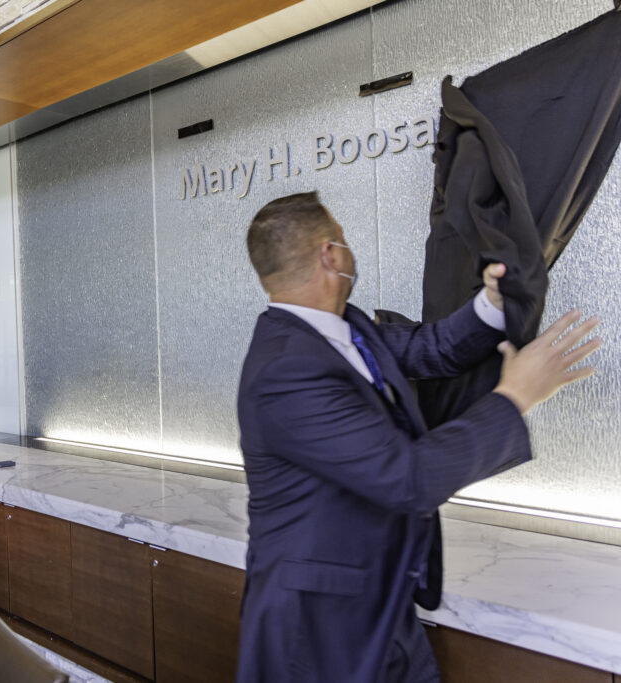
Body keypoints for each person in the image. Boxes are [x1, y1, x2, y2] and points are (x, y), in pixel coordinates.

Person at [235, 192, 600, 683]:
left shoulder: (345, 327)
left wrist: (492, 304)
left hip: (380, 607)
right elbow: (407, 478)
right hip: (320, 632)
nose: (348, 249)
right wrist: (514, 398)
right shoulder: (285, 370)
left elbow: (434, 349)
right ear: (330, 254)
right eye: (343, 238)